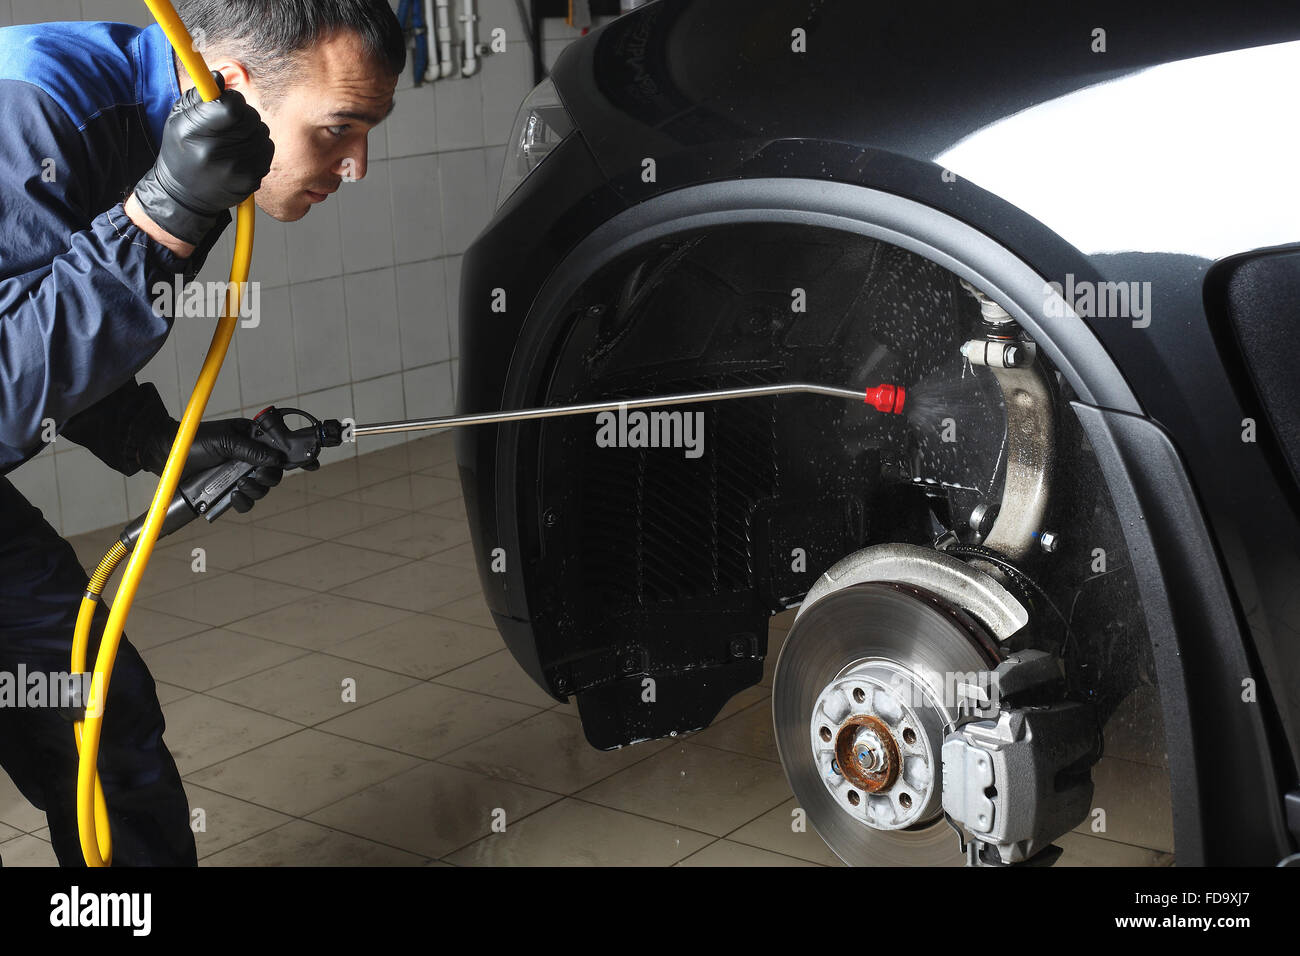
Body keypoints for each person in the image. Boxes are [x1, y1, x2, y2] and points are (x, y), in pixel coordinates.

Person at [0, 0, 404, 866]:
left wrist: (159, 443)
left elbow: (34, 320)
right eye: (340, 128)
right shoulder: (31, 111)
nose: (357, 164)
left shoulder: (174, 131)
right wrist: (157, 219)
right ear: (230, 86)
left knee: (92, 710)